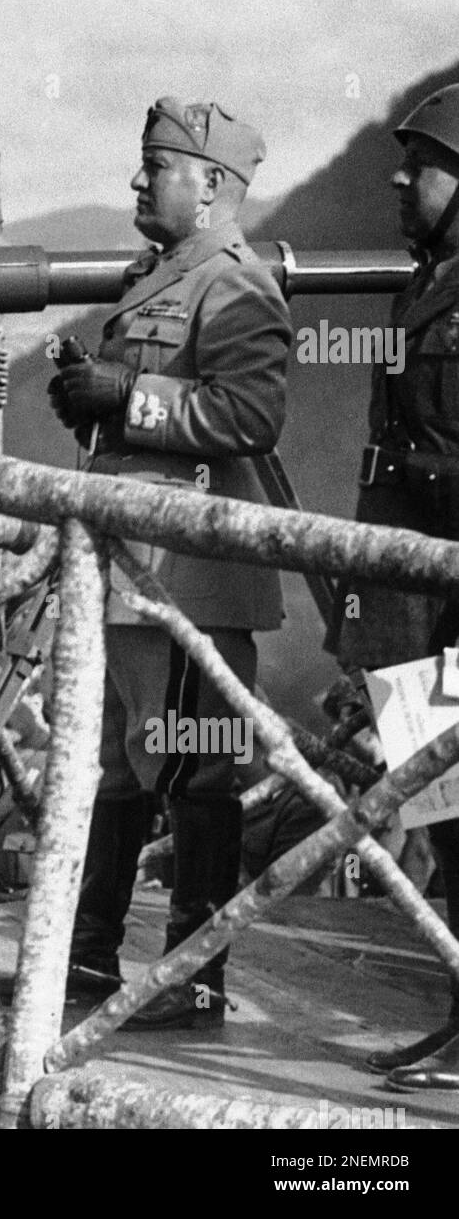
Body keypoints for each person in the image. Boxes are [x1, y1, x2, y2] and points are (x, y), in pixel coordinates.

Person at [48, 97, 293, 1028]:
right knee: (116, 765)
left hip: (191, 574)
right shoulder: (161, 275)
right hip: (133, 567)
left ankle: (194, 983)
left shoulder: (235, 284)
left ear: (210, 186)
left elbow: (248, 416)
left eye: (154, 168)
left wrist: (131, 395)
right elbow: (162, 406)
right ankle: (86, 967)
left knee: (196, 770)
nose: (137, 181)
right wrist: (95, 398)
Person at [327, 83, 459, 1090]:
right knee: (444, 814)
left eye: (421, 160)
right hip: (408, 599)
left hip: (452, 602)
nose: (398, 175)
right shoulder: (422, 287)